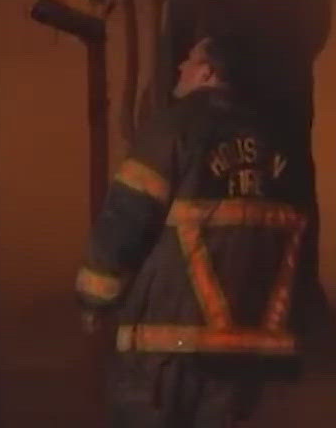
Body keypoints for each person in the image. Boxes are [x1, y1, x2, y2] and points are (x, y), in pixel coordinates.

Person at [76, 34, 312, 428]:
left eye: (189, 60)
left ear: (208, 72)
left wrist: (95, 298)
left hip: (167, 349)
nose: (181, 68)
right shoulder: (279, 143)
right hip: (244, 351)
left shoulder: (175, 127)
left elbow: (126, 217)